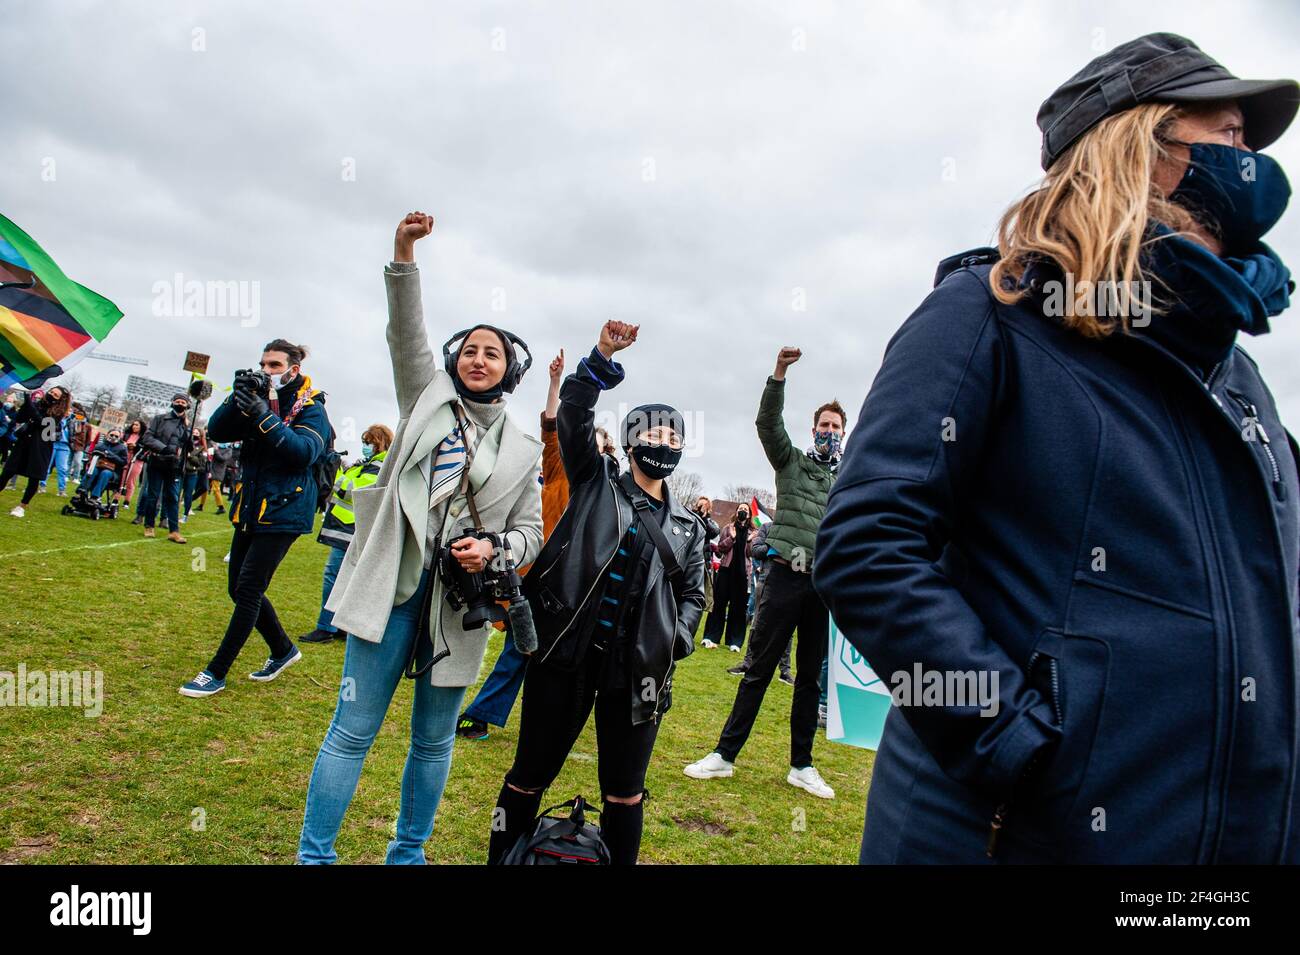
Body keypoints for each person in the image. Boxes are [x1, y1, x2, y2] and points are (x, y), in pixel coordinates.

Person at [816, 34, 1300, 864]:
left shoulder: (1239, 373)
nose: (1250, 161)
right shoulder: (988, 315)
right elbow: (868, 544)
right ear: (1138, 149)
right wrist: (1013, 740)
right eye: (1228, 137)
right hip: (1007, 836)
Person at [297, 211, 543, 865]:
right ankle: (313, 856)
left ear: (509, 367)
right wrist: (403, 252)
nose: (479, 358)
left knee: (433, 742)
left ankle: (407, 853)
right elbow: (406, 331)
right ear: (455, 360)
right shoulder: (425, 395)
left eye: (493, 351)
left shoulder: (524, 447)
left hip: (458, 606)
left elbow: (531, 532)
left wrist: (495, 549)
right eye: (470, 349)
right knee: (352, 730)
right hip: (392, 584)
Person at [487, 319, 706, 866]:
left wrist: (675, 638)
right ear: (632, 439)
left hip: (638, 677)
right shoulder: (595, 479)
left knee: (625, 793)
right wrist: (601, 357)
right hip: (565, 657)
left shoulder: (688, 526)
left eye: (674, 437)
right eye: (655, 433)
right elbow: (573, 416)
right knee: (528, 776)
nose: (665, 444)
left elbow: (694, 596)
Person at [683, 346, 846, 799]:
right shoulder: (792, 461)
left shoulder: (848, 478)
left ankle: (802, 764)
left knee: (810, 678)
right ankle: (724, 755)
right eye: (824, 426)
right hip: (784, 577)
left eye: (836, 428)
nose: (829, 433)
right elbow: (767, 425)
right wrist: (779, 374)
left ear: (844, 434)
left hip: (823, 584)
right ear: (814, 430)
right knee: (758, 669)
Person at [453, 350, 622, 741]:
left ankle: (540, 721)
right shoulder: (560, 466)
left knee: (548, 654)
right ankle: (482, 714)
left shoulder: (606, 488)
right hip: (537, 575)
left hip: (576, 586)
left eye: (595, 441)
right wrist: (554, 383)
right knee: (520, 645)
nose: (579, 442)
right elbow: (553, 425)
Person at [177, 341, 331, 697]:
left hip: (286, 510)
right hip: (251, 505)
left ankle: (216, 671)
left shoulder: (312, 407)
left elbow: (303, 453)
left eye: (274, 364)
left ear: (293, 369)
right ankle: (282, 649)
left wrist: (263, 413)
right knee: (237, 587)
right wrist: (238, 397)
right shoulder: (259, 398)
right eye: (263, 363)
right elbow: (217, 431)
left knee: (248, 588)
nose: (267, 370)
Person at [298, 423, 393, 643]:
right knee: (343, 579)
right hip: (348, 528)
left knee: (334, 577)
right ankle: (339, 625)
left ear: (380, 442)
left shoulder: (379, 467)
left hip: (351, 530)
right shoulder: (369, 464)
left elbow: (353, 491)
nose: (365, 446)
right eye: (364, 441)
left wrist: (335, 471)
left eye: (369, 442)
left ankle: (326, 627)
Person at [727, 519, 794, 685]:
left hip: (789, 583)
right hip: (765, 581)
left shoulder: (795, 529)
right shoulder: (767, 528)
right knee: (757, 624)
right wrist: (775, 545)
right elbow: (755, 551)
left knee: (787, 628)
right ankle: (747, 662)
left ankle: (785, 671)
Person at [1, 386, 69, 517]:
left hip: (40, 447)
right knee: (7, 472)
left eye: (55, 395)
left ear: (60, 400)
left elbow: (42, 422)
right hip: (23, 443)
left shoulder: (58, 413)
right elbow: (20, 418)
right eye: (51, 392)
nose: (51, 395)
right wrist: (27, 404)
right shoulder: (37, 404)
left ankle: (22, 506)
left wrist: (29, 403)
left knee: (34, 478)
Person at [139, 393, 192, 542]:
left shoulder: (187, 424)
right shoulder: (159, 419)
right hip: (157, 461)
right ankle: (149, 525)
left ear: (187, 406)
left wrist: (189, 440)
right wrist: (163, 448)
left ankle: (174, 531)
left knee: (173, 498)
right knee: (153, 495)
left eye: (183, 402)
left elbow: (188, 446)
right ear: (172, 403)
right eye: (178, 401)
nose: (180, 404)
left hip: (175, 466)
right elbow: (147, 438)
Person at [700, 502, 752, 651]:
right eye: (740, 509)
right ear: (736, 512)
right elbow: (720, 549)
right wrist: (732, 538)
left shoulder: (752, 532)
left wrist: (748, 541)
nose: (742, 511)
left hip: (742, 574)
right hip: (725, 570)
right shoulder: (728, 528)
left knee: (738, 608)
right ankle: (710, 636)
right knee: (719, 604)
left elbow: (751, 554)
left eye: (745, 510)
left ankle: (734, 641)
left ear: (749, 515)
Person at [82, 428, 128, 500]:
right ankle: (83, 490)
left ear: (119, 438)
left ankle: (95, 496)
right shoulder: (100, 445)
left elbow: (123, 462)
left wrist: (110, 455)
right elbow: (93, 454)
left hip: (112, 471)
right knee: (92, 470)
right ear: (107, 435)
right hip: (98, 467)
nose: (113, 437)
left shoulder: (122, 448)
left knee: (105, 473)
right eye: (112, 435)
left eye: (116, 436)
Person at [193, 440, 231, 514]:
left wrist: (216, 450)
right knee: (205, 488)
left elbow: (222, 458)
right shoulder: (215, 448)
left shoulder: (229, 450)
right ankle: (201, 505)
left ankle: (221, 507)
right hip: (209, 469)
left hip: (218, 471)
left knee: (216, 489)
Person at [118, 419, 147, 510]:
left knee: (131, 480)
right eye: (133, 424)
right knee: (121, 478)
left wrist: (136, 446)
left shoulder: (144, 437)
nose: (134, 426)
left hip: (136, 460)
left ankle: (127, 501)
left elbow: (145, 448)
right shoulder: (126, 435)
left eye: (137, 425)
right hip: (125, 457)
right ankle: (116, 499)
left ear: (141, 427)